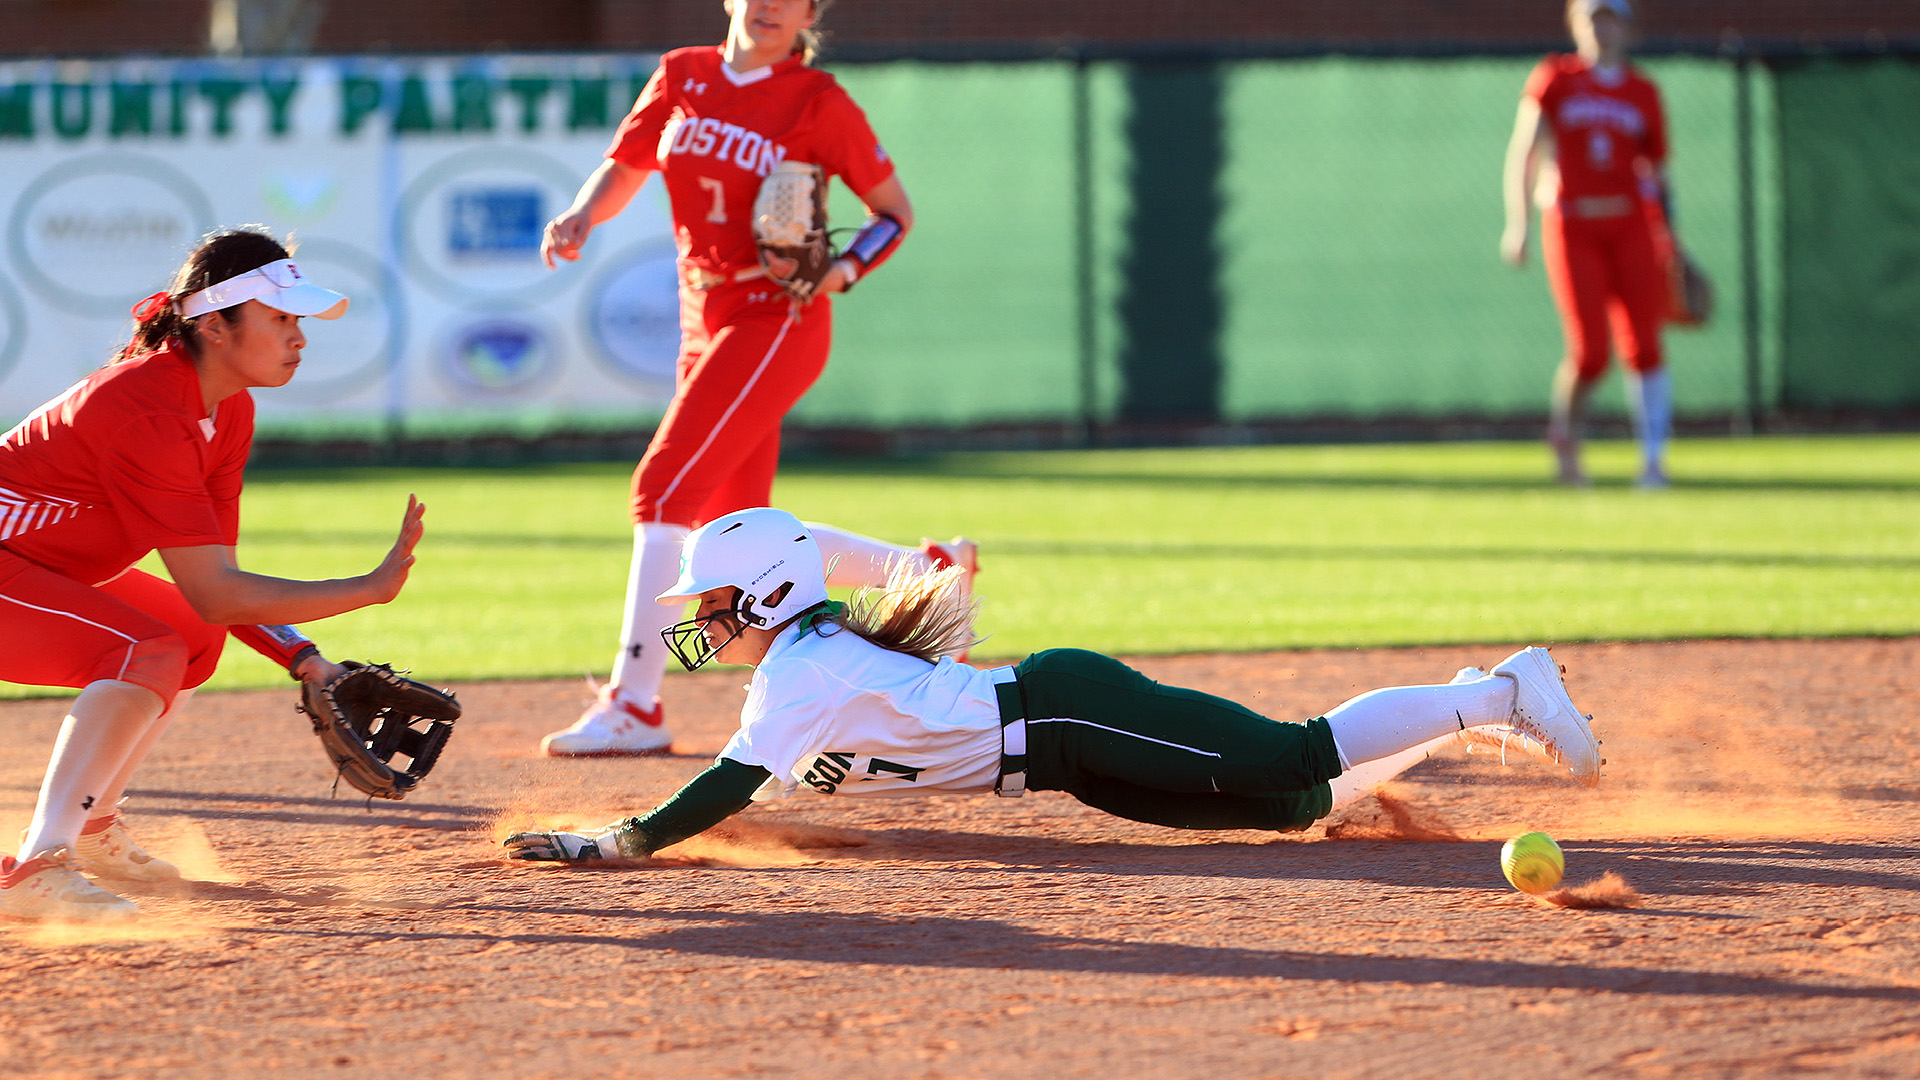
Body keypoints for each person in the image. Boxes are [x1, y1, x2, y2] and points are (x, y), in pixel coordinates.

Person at [504, 508, 1602, 866]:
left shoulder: (801, 676)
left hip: (1071, 711)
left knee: (1296, 755)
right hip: (1062, 761)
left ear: (768, 597)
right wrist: (926, 565)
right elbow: (761, 682)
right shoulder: (799, 655)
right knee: (1289, 809)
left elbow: (730, 786)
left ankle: (1507, 691)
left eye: (711, 605)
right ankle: (1464, 700)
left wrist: (622, 842)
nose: (699, 622)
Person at [536, 0, 973, 758]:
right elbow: (627, 164)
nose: (772, 5)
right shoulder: (683, 74)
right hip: (703, 311)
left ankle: (635, 702)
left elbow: (893, 212)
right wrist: (581, 215)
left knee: (664, 486)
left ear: (810, 11)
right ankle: (928, 573)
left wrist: (843, 268)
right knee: (740, 530)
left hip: (778, 317)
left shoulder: (816, 100)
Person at [0, 228, 425, 922]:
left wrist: (304, 657)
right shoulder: (146, 409)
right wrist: (366, 589)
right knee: (150, 649)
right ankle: (35, 868)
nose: (300, 338)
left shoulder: (226, 412)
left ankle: (93, 827)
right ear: (215, 326)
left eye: (299, 321)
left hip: (33, 567)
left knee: (191, 638)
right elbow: (219, 591)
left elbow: (215, 590)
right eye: (282, 319)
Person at [1502, 0, 1678, 488]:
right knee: (1591, 353)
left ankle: (1653, 462)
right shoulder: (1555, 78)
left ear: (1626, 28)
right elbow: (1524, 152)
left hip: (1632, 226)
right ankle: (1566, 438)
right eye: (1591, 18)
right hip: (1573, 223)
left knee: (1644, 345)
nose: (1600, 28)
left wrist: (1674, 243)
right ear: (1575, 25)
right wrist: (1517, 224)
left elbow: (1659, 176)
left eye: (1609, 19)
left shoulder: (1643, 91)